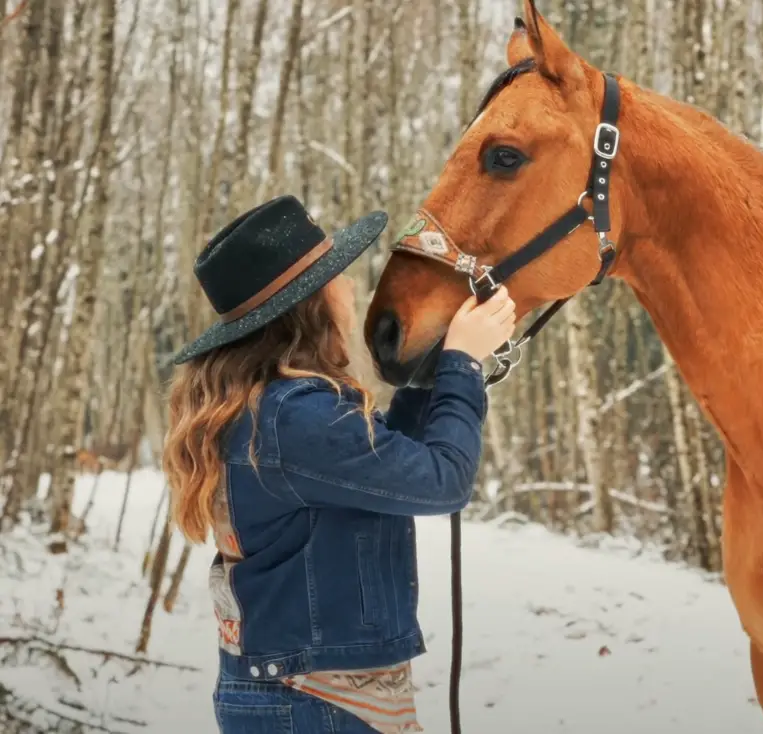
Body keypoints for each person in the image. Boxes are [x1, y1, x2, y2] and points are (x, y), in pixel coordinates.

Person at [161, 195, 516, 733]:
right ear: (314, 301)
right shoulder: (295, 417)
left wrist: (432, 370)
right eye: (340, 276)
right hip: (312, 703)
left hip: (304, 696)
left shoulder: (277, 408)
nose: (351, 289)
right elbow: (442, 481)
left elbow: (384, 464)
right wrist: (464, 364)